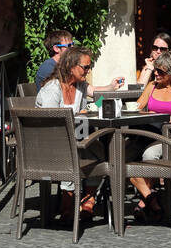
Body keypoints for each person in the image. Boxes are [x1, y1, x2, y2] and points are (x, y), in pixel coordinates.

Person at [35, 45, 119, 220]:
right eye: (85, 67)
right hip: (49, 145)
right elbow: (50, 124)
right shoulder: (53, 88)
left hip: (74, 138)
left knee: (96, 146)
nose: (88, 71)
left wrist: (104, 101)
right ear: (70, 66)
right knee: (74, 152)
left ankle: (88, 200)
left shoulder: (80, 87)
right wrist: (78, 117)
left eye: (90, 67)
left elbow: (88, 110)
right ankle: (68, 204)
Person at [129, 47, 171, 221]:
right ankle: (152, 200)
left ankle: (147, 203)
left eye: (160, 71)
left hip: (170, 137)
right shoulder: (152, 86)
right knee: (120, 156)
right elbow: (136, 108)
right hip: (148, 133)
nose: (156, 74)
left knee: (148, 155)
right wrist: (147, 114)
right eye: (155, 70)